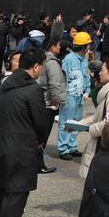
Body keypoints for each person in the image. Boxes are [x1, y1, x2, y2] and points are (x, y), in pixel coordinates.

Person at [0, 49, 53, 217]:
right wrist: (39, 141)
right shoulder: (33, 90)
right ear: (36, 67)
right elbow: (41, 124)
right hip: (20, 152)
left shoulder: (5, 85)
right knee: (14, 198)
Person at [79, 57, 109, 176]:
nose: (100, 73)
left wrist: (90, 129)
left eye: (102, 70)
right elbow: (97, 116)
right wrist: (78, 125)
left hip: (104, 145)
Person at [58, 32, 91, 159]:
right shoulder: (68, 60)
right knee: (66, 122)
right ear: (84, 46)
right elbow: (63, 79)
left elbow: (86, 75)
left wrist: (87, 89)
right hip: (69, 95)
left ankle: (72, 146)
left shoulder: (84, 59)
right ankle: (63, 149)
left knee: (76, 122)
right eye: (88, 45)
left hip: (80, 95)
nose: (89, 47)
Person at [39, 38, 67, 172]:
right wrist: (56, 103)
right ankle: (39, 165)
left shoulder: (43, 59)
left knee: (39, 135)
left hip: (41, 101)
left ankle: (37, 163)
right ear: (52, 47)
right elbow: (54, 84)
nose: (60, 48)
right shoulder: (53, 63)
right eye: (58, 45)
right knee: (42, 136)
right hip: (48, 103)